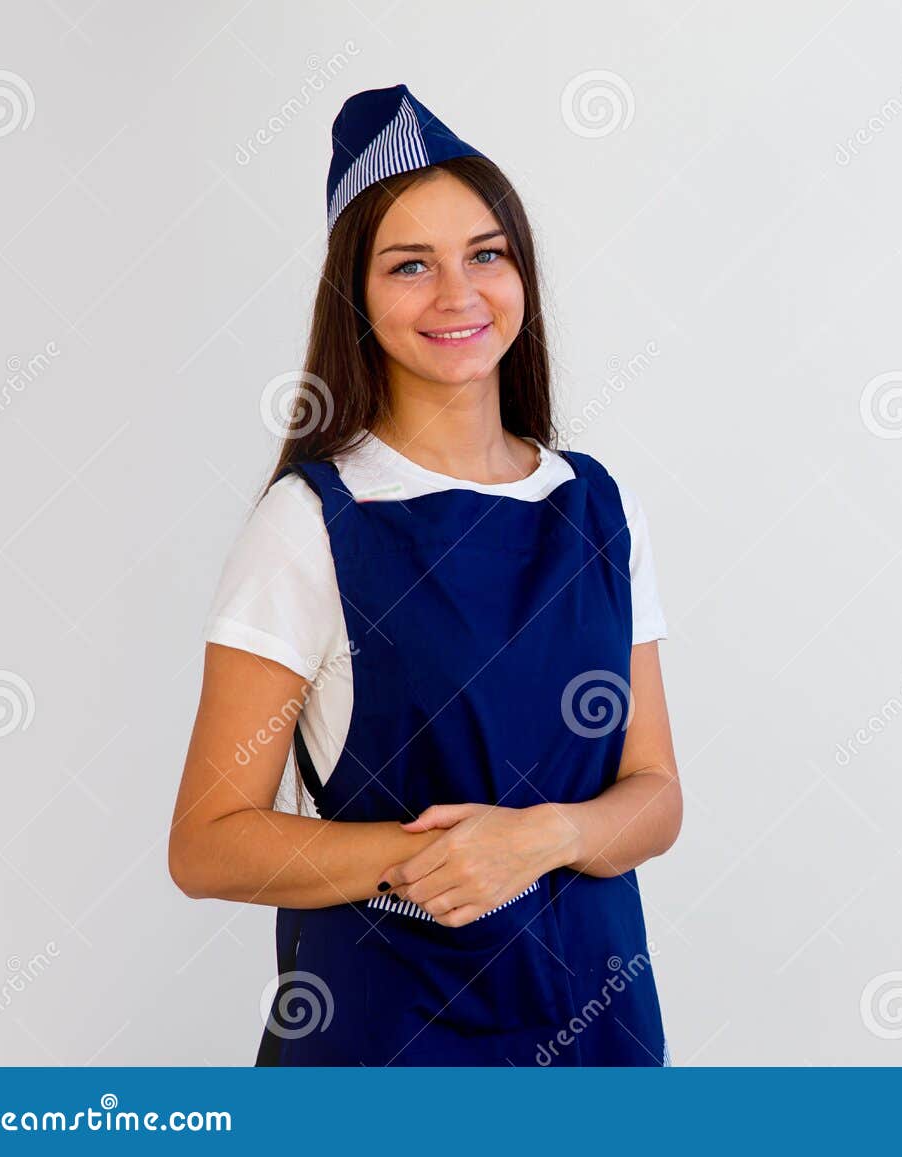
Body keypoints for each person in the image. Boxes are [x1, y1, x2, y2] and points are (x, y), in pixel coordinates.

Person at [168, 84, 680, 1066]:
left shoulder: (600, 507)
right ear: (355, 296)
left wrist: (543, 836)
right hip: (386, 1046)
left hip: (598, 1030)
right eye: (411, 265)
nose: (459, 294)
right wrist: (436, 858)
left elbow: (654, 792)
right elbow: (208, 841)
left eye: (485, 254)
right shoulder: (312, 521)